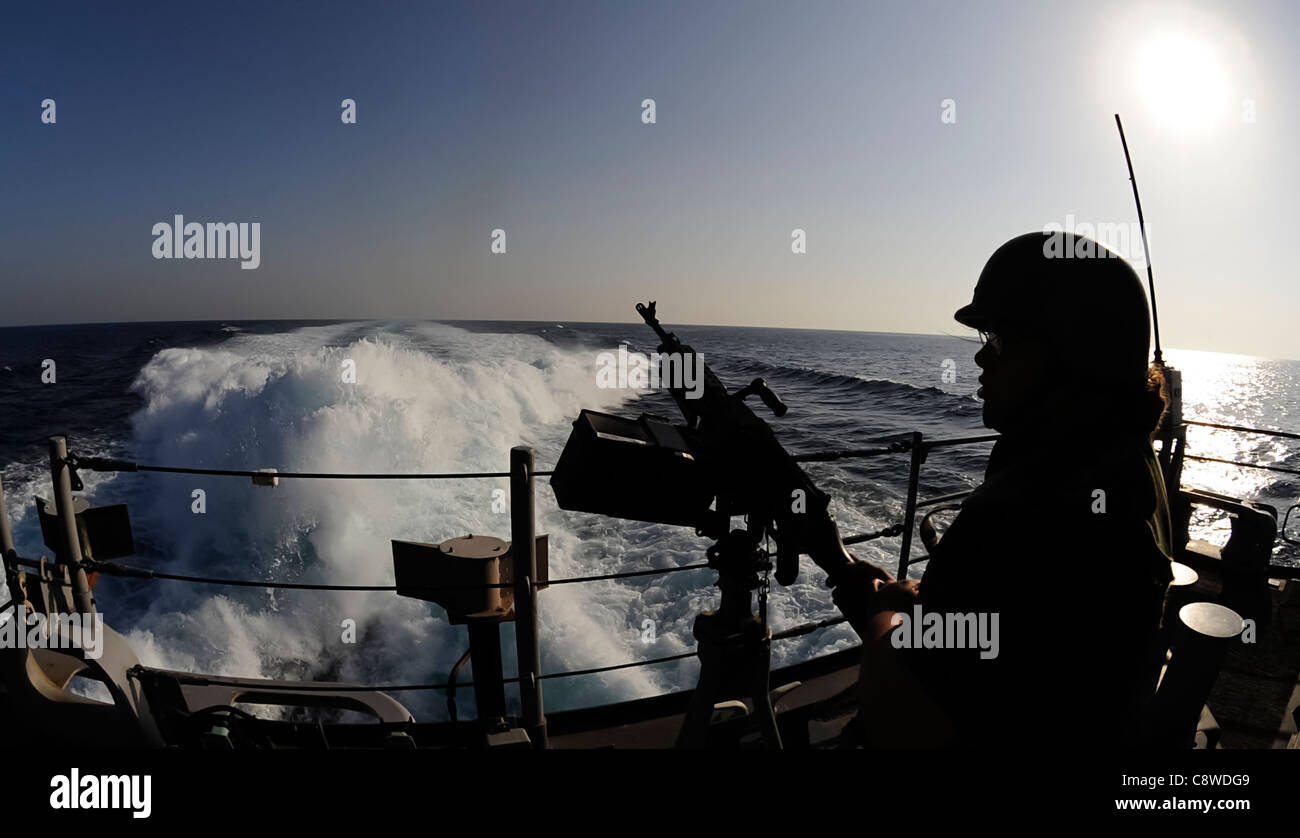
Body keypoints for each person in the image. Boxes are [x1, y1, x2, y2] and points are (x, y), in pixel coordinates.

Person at [820, 231, 1175, 748]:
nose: (983, 361)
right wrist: (923, 605)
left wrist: (884, 615)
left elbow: (903, 721)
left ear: (1073, 358)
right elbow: (1025, 641)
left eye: (1002, 342)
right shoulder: (1126, 463)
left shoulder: (1027, 508)